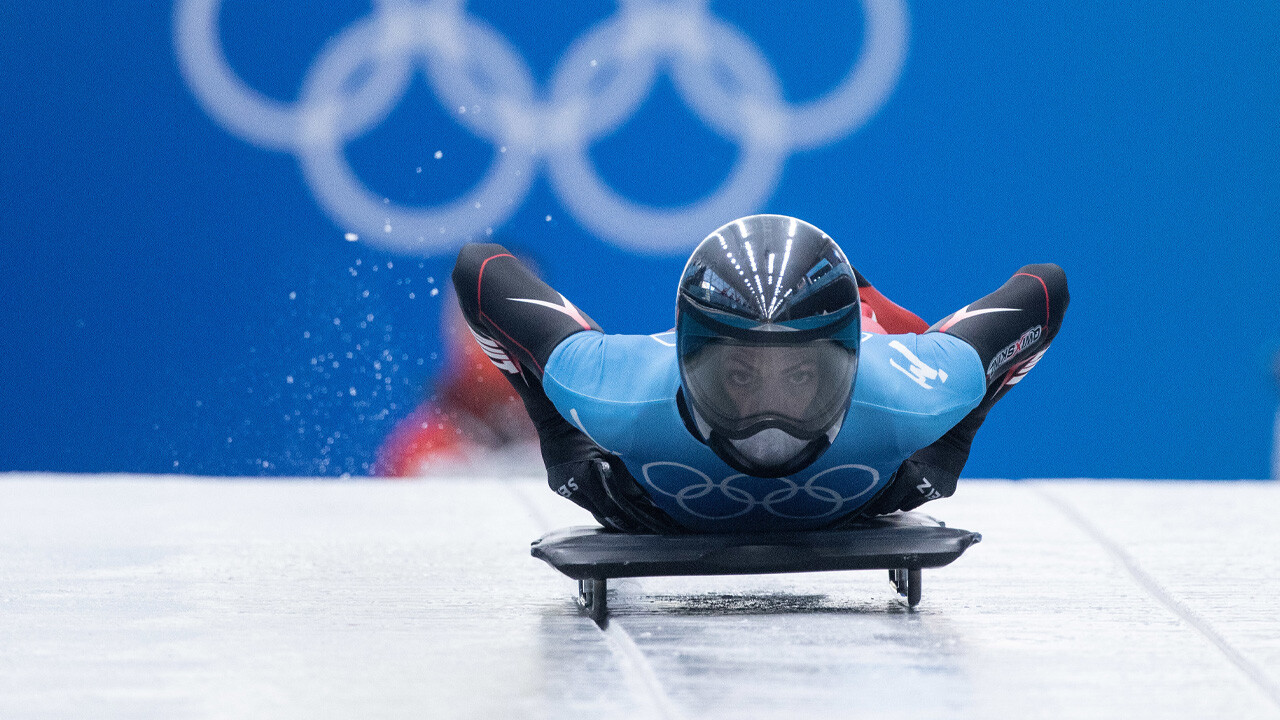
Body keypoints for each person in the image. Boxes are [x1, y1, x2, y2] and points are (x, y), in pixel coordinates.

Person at [451, 215, 1068, 533]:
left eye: (800, 378)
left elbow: (1045, 289)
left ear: (847, 365)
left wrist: (950, 438)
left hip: (655, 496)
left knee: (886, 318)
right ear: (689, 361)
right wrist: (560, 439)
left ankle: (860, 299)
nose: (768, 422)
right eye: (740, 377)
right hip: (865, 479)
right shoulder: (620, 389)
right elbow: (1045, 288)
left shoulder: (911, 392)